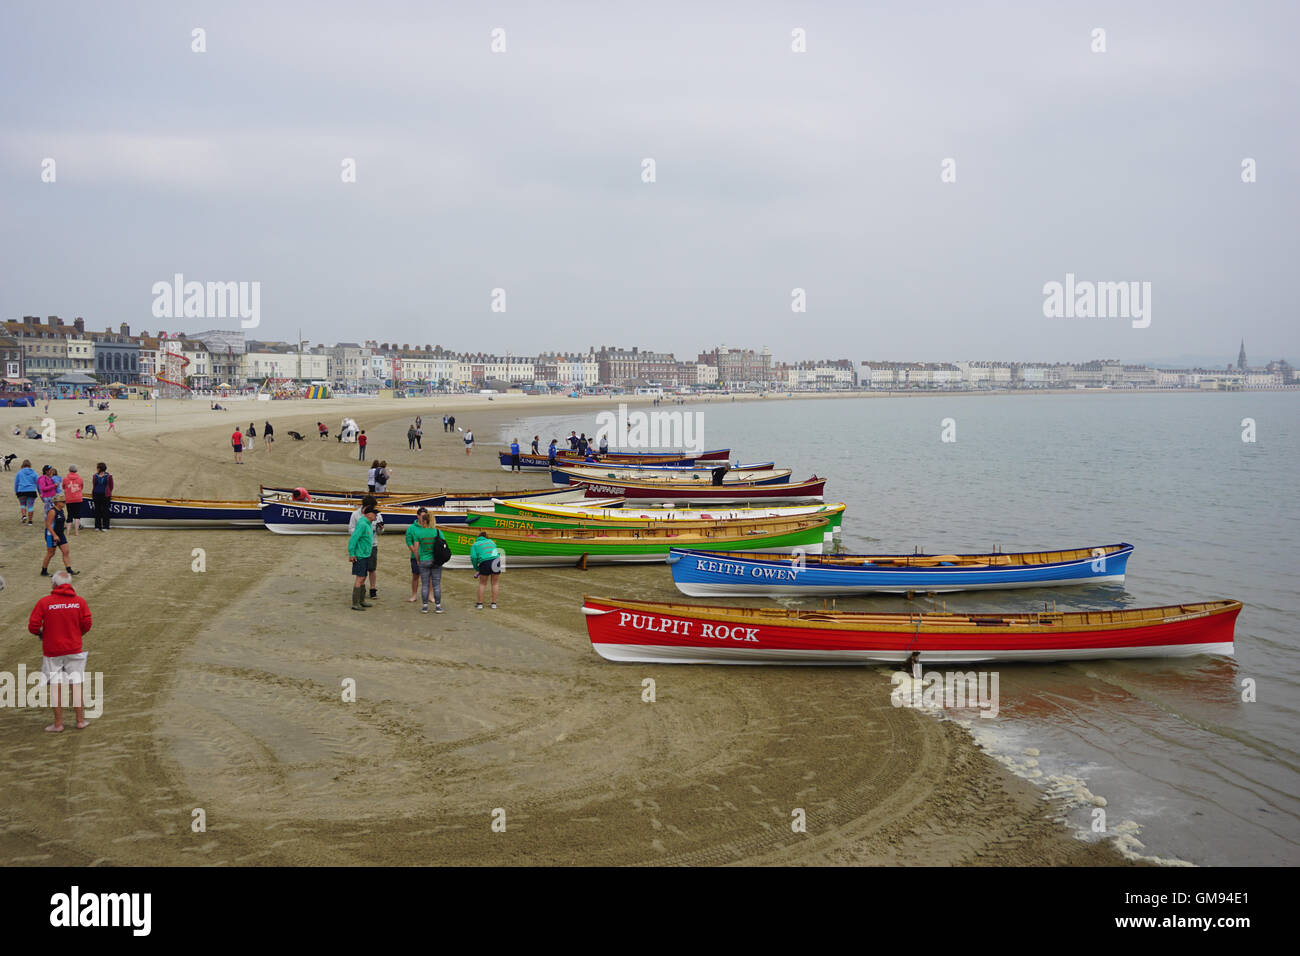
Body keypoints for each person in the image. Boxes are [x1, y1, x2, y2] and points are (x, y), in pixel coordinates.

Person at [28, 570, 93, 732]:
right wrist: (77, 634)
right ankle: (80, 721)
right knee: (76, 684)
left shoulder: (44, 602)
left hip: (52, 650)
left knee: (55, 685)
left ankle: (58, 724)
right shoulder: (79, 602)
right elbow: (87, 623)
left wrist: (41, 634)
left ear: (54, 584)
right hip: (74, 648)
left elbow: (33, 625)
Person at [407, 509, 447, 613]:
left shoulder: (419, 533)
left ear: (424, 521)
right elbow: (444, 546)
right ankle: (438, 606)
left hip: (424, 560)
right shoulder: (438, 532)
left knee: (424, 584)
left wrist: (418, 560)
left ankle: (425, 606)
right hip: (436, 561)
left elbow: (416, 549)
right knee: (436, 584)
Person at [348, 494, 384, 600]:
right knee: (361, 574)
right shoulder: (356, 515)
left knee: (372, 568)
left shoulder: (377, 515)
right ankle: (358, 598)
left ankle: (372, 590)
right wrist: (363, 533)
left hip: (372, 545)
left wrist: (380, 529)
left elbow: (380, 531)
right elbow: (351, 530)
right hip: (360, 547)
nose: (376, 514)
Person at [347, 507, 378, 610]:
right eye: (374, 513)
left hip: (365, 554)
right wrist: (352, 553)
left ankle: (361, 600)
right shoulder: (362, 524)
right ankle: (355, 603)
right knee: (360, 578)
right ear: (368, 514)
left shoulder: (368, 524)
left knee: (363, 577)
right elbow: (353, 539)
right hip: (360, 555)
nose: (376, 515)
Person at [42, 496, 78, 576]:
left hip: (60, 534)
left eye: (64, 501)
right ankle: (44, 571)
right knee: (51, 553)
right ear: (57, 503)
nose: (64, 503)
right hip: (51, 535)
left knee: (66, 551)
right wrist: (54, 535)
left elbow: (60, 521)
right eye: (63, 502)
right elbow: (48, 525)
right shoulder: (52, 511)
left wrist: (64, 526)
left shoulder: (61, 510)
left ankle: (69, 570)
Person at [470, 530, 503, 609]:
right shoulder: (492, 542)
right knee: (495, 583)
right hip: (496, 560)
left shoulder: (475, 544)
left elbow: (473, 557)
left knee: (482, 584)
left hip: (485, 562)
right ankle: (494, 604)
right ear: (486, 537)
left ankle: (480, 604)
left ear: (478, 537)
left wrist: (476, 568)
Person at [14, 458, 38, 525]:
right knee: (30, 506)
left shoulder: (19, 473)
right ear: (30, 465)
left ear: (23, 465)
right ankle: (30, 521)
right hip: (31, 491)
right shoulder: (34, 473)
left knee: (22, 504)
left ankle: (24, 516)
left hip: (21, 491)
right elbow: (38, 483)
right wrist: (40, 492)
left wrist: (16, 491)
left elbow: (16, 483)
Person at [91, 462, 113, 531]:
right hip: (96, 495)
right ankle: (97, 526)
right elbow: (94, 484)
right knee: (97, 511)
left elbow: (111, 486)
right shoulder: (95, 476)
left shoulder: (109, 476)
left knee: (105, 511)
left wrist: (108, 492)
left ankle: (105, 526)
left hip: (105, 496)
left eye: (97, 467)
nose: (96, 469)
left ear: (100, 468)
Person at [62, 465, 84, 536]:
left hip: (69, 499)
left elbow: (63, 487)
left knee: (70, 514)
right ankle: (76, 532)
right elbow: (81, 487)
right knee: (77, 515)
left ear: (69, 470)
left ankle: (68, 532)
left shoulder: (65, 479)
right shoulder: (80, 479)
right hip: (78, 498)